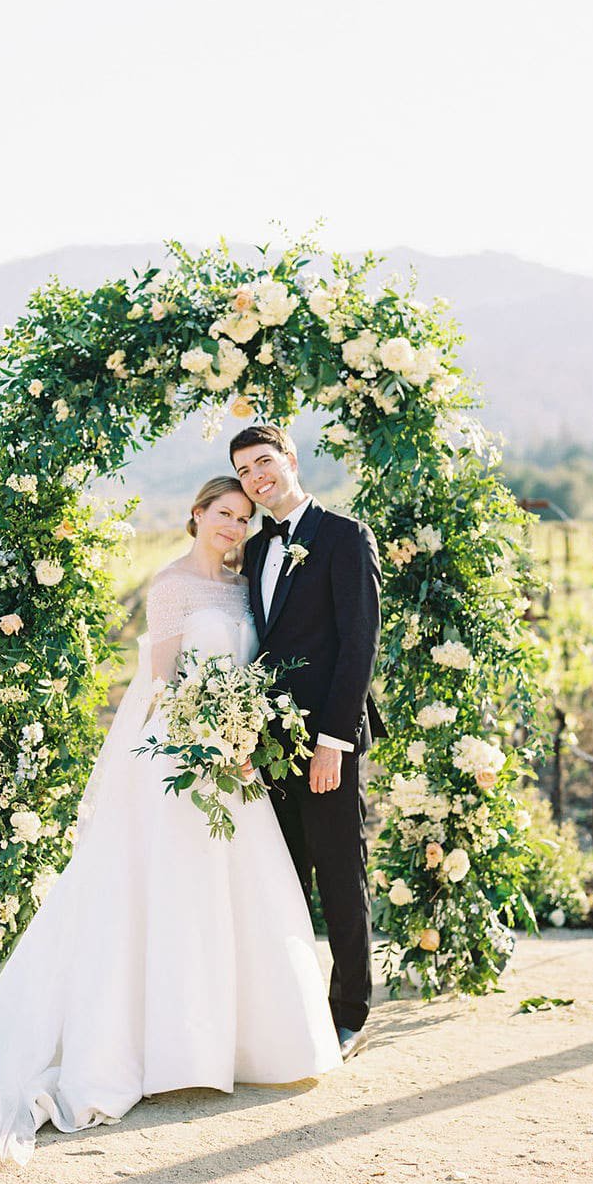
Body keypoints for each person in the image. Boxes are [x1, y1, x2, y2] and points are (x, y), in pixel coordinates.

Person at [0, 476, 341, 1165]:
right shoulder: (171, 586)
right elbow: (166, 687)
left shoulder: (244, 588)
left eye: (243, 517)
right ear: (196, 514)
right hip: (180, 759)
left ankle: (234, 1043)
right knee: (161, 899)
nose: (233, 526)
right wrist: (211, 738)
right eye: (222, 513)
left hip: (235, 766)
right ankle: (157, 1048)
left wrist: (244, 740)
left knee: (228, 902)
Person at [230, 425, 383, 1061]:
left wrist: (332, 741)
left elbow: (359, 646)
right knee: (284, 876)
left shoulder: (345, 536)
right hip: (269, 742)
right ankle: (292, 1009)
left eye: (264, 462)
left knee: (339, 873)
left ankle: (350, 1011)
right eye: (243, 471)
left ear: (290, 460)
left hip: (326, 738)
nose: (256, 478)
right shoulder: (257, 545)